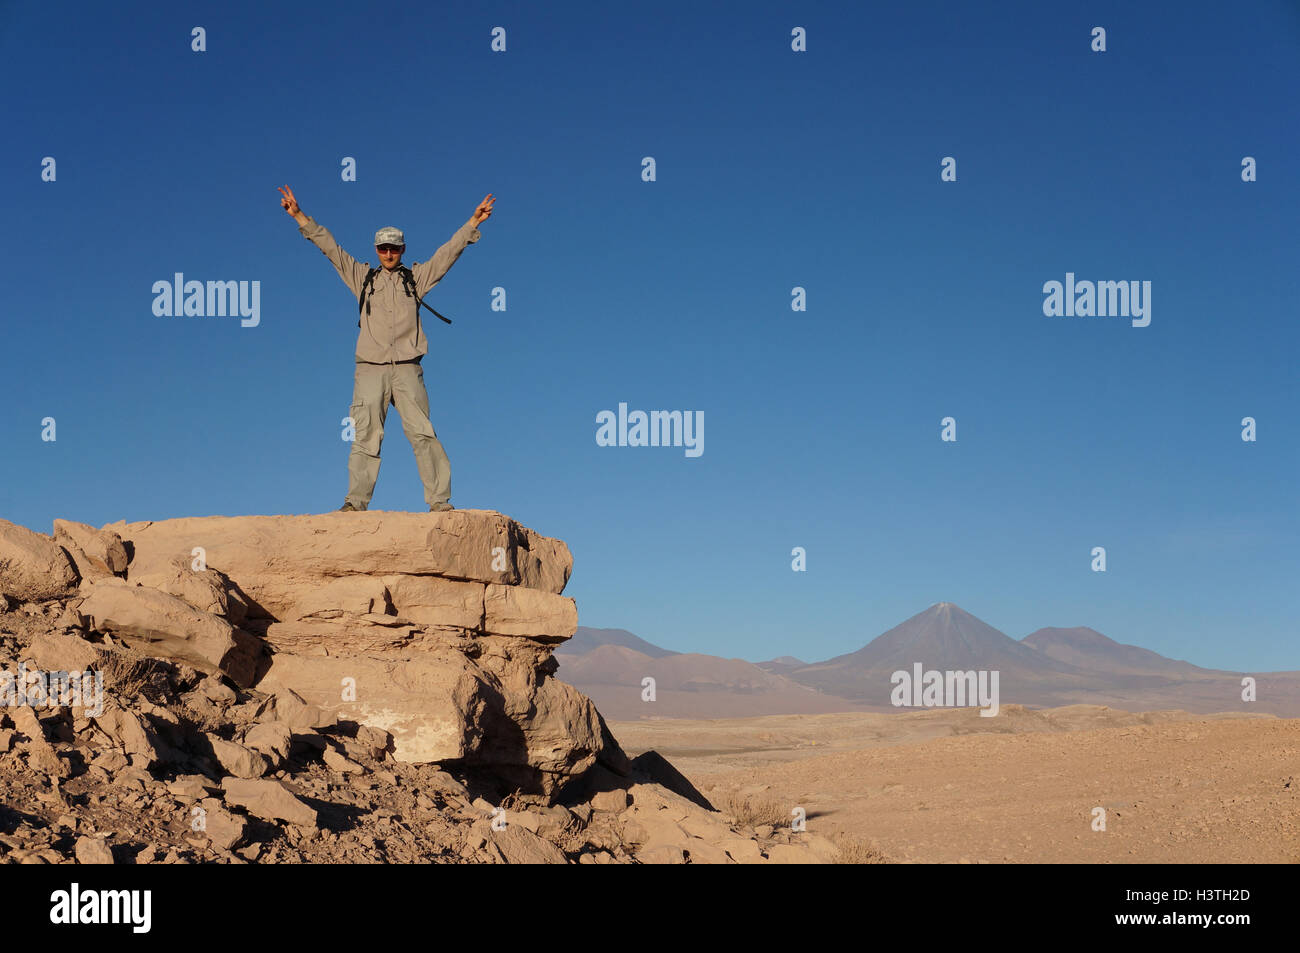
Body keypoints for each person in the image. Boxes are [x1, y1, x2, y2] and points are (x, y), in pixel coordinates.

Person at [278, 185, 494, 512]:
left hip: (408, 368)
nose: (389, 254)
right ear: (376, 250)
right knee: (365, 436)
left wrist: (472, 224)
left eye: (394, 248)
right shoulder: (362, 278)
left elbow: (446, 255)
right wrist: (298, 216)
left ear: (403, 249)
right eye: (383, 249)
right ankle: (355, 503)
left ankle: (439, 502)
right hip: (370, 369)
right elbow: (331, 249)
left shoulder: (416, 278)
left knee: (423, 434)